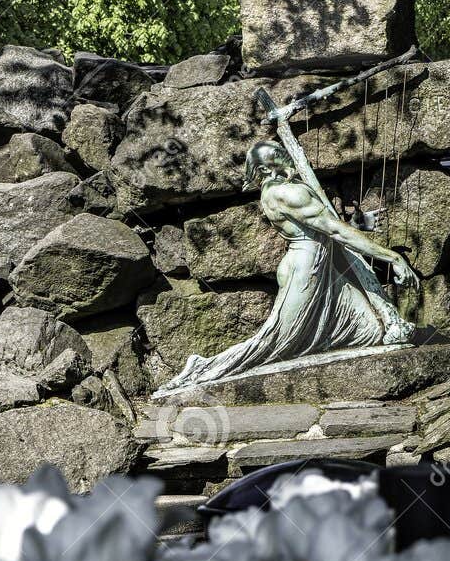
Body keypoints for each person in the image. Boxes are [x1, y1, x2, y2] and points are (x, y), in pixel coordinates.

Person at [156, 139, 418, 392]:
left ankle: (322, 348)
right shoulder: (286, 193)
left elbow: (321, 229)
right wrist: (393, 257)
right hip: (307, 272)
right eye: (278, 156)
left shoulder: (278, 190)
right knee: (274, 343)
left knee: (370, 331)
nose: (286, 157)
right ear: (264, 169)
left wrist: (358, 226)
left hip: (322, 269)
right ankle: (204, 367)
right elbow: (335, 232)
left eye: (282, 152)